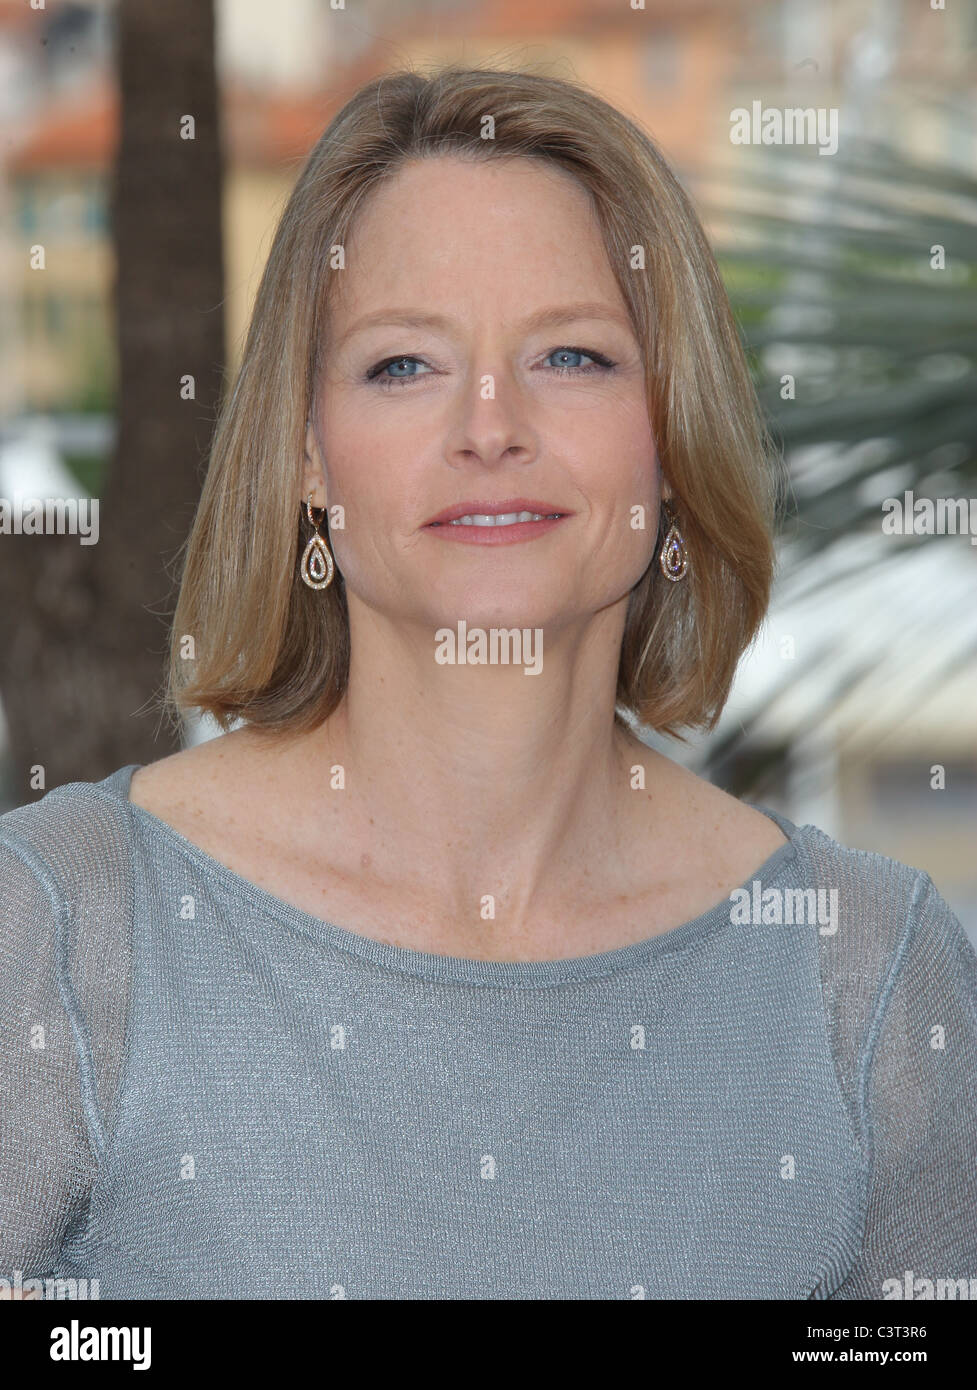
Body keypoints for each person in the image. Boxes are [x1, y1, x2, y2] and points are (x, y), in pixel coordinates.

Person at [2, 65, 975, 1302]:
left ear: (669, 434)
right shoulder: (62, 935)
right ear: (305, 454)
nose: (489, 424)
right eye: (403, 365)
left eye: (570, 354)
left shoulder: (871, 982)